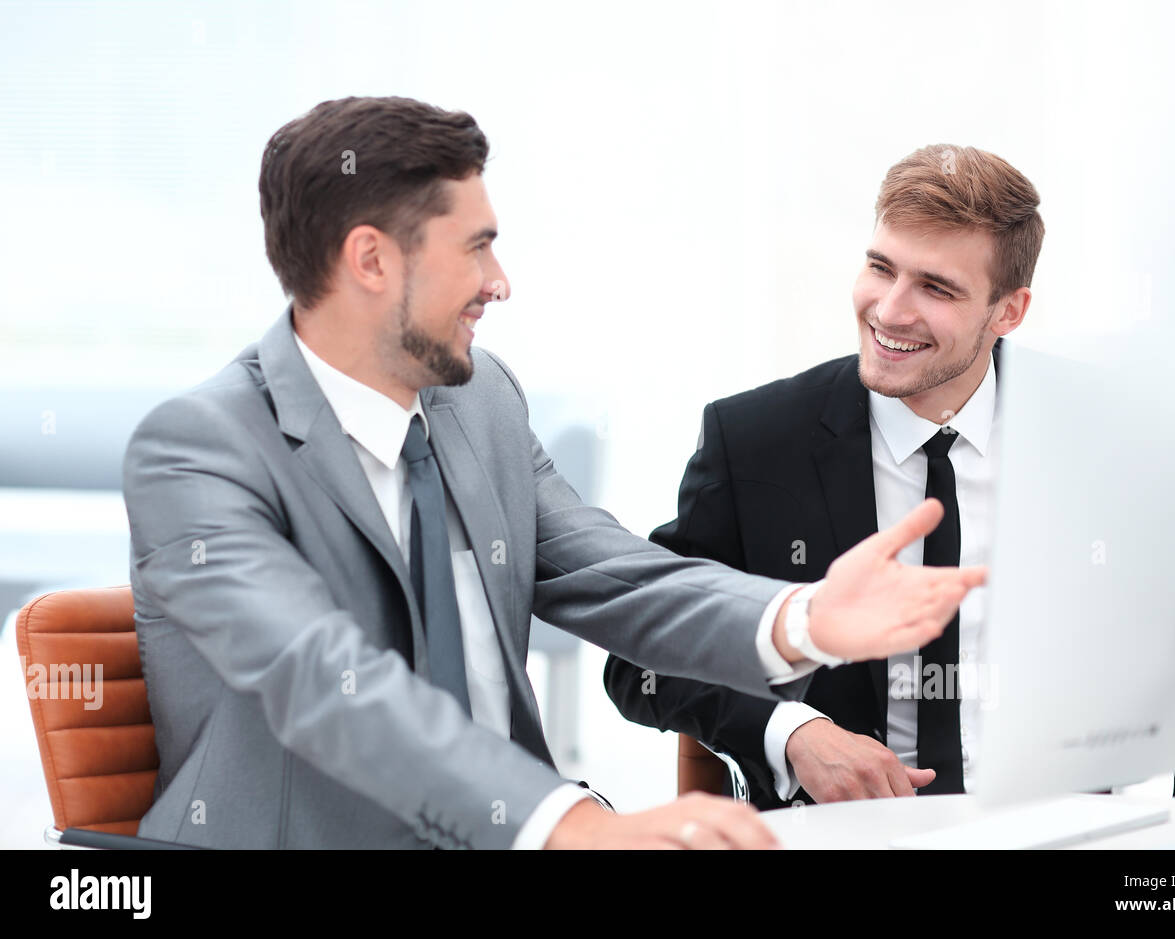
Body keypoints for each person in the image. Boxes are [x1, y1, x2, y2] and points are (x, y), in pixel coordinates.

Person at [121, 98, 985, 850]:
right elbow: (325, 681)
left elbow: (619, 574)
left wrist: (803, 618)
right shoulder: (200, 452)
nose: (498, 283)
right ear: (372, 261)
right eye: (476, 248)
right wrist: (570, 824)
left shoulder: (479, 402)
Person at [605, 144, 1042, 809]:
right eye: (881, 268)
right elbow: (639, 658)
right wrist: (791, 732)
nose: (889, 310)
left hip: (1055, 819)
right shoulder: (754, 440)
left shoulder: (1087, 432)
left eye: (935, 287)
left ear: (1008, 310)